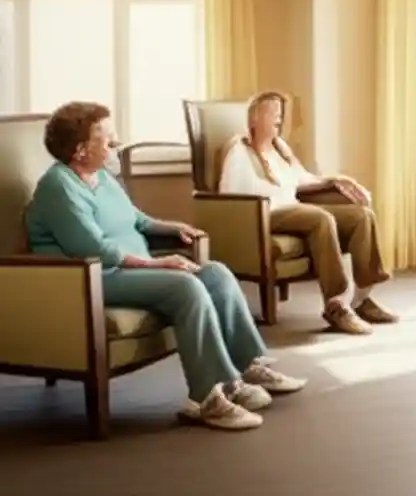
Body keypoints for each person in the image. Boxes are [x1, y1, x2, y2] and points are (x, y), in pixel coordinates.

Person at [25, 102, 306, 432]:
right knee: (184, 286)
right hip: (94, 278)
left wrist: (170, 228)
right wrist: (157, 263)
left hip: (129, 270)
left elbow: (136, 219)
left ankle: (244, 370)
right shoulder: (58, 187)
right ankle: (205, 399)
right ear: (79, 150)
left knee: (215, 274)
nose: (115, 143)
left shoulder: (101, 177)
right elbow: (92, 248)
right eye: (106, 138)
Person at [218, 91, 395, 336]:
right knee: (320, 218)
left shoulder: (280, 148)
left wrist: (334, 180)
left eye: (280, 112)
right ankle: (336, 305)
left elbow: (301, 179)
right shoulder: (239, 151)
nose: (279, 117)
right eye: (273, 112)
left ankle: (362, 299)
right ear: (255, 118)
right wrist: (259, 202)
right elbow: (228, 194)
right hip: (265, 213)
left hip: (293, 209)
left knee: (360, 216)